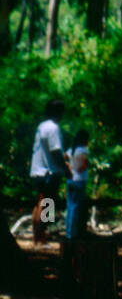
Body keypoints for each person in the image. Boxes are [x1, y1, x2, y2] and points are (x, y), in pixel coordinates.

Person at [29, 99, 69, 245]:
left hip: (37, 170)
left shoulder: (42, 126)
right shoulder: (53, 128)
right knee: (47, 204)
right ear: (58, 112)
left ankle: (37, 236)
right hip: (49, 172)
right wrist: (66, 169)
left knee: (40, 202)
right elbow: (55, 151)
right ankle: (41, 237)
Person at [65, 130, 91, 241]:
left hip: (70, 180)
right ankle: (73, 234)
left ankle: (68, 232)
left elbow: (63, 158)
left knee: (70, 206)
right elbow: (83, 166)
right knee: (76, 207)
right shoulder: (83, 150)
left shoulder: (71, 150)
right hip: (79, 180)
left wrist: (69, 167)